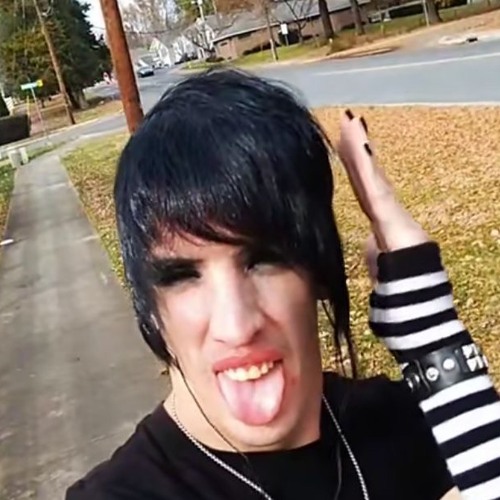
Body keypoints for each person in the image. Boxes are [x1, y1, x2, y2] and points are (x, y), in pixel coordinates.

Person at [67, 68, 500, 500]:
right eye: (182, 276)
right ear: (150, 304)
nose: (237, 327)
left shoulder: (416, 425)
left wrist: (428, 331)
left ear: (318, 270)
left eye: (263, 260)